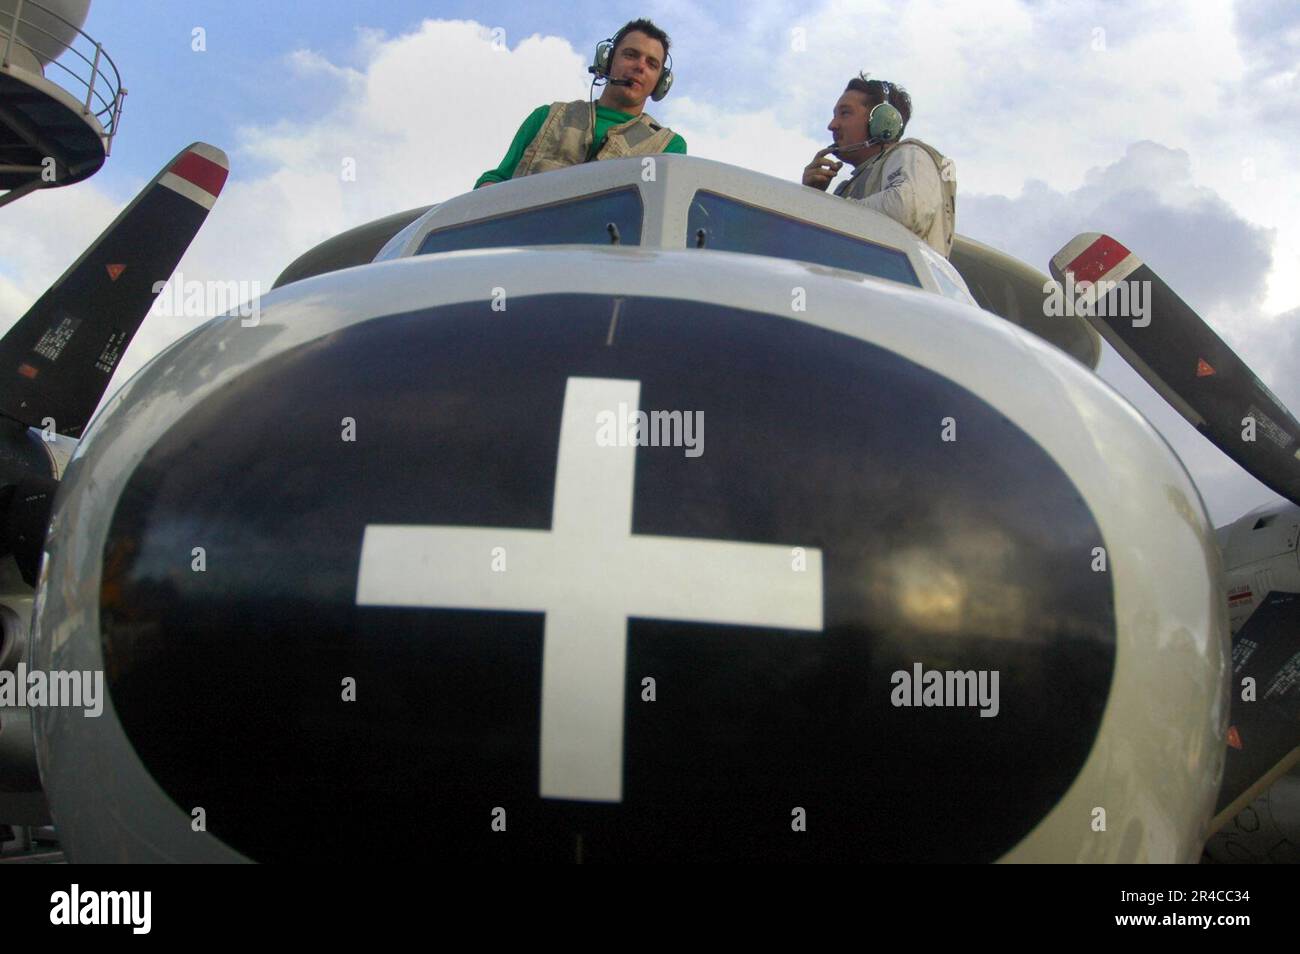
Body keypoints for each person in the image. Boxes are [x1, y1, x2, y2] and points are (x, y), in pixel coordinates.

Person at [475, 19, 686, 188]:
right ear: (607, 61)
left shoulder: (669, 146)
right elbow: (496, 180)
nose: (640, 66)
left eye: (652, 64)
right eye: (630, 55)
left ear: (660, 83)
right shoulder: (546, 117)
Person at [802, 75, 955, 257]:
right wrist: (812, 197)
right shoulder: (852, 187)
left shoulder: (909, 153)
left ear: (882, 121)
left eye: (845, 113)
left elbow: (907, 208)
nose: (832, 125)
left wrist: (831, 210)